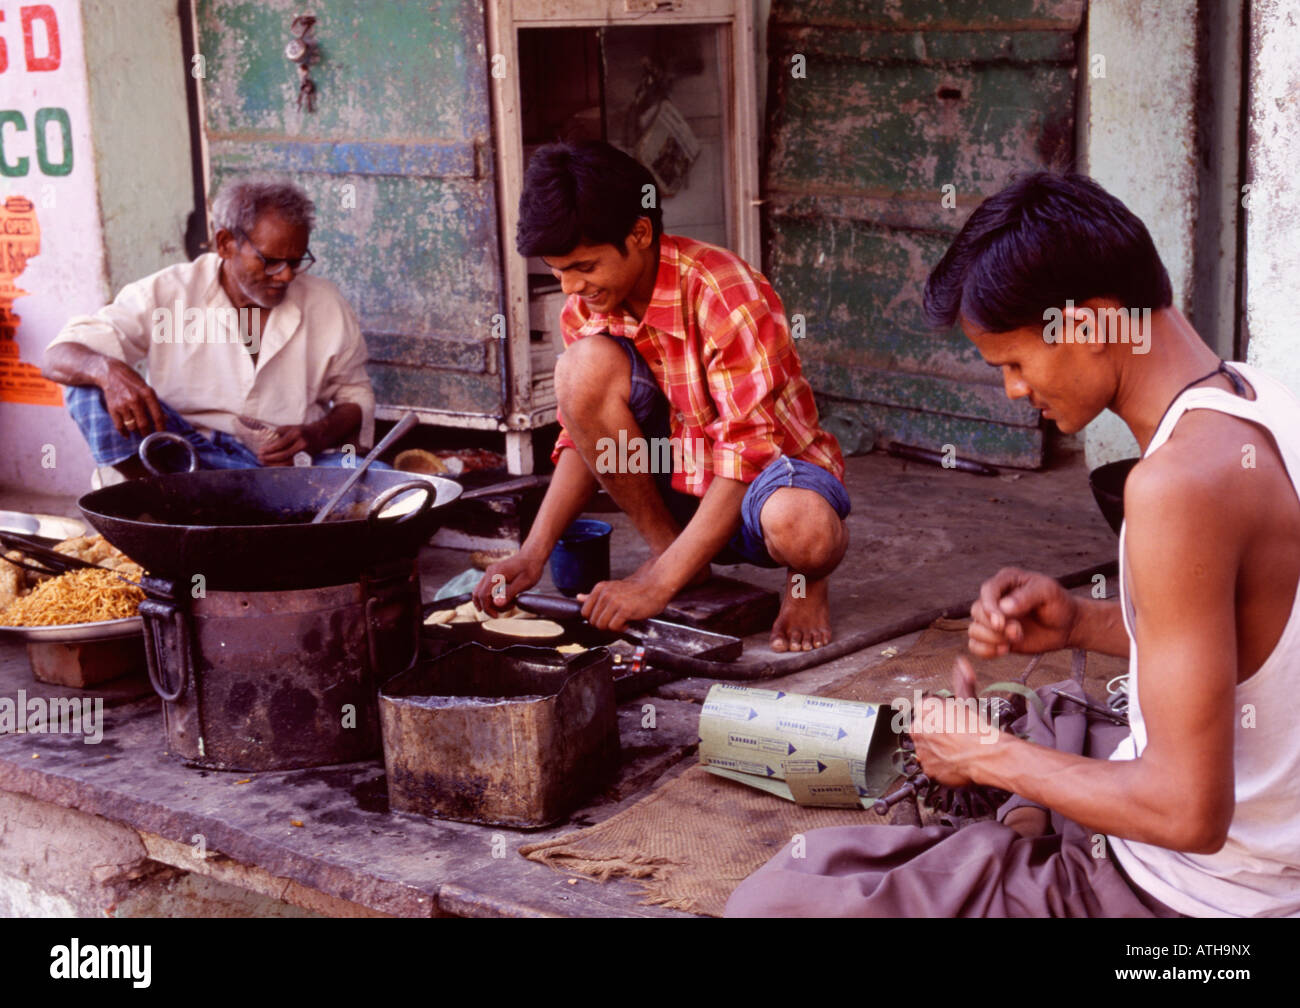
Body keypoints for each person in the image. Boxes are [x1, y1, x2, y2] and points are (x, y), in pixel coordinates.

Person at [726, 172, 1300, 917]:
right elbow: (1254, 638)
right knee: (1042, 719)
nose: (1013, 392)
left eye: (1015, 363)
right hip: (1273, 854)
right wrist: (1079, 622)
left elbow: (1188, 813)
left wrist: (988, 758)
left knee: (779, 901)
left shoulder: (1174, 488)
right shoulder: (1261, 401)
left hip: (1193, 905)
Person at [472, 141, 850, 652]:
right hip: (683, 481)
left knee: (803, 531)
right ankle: (672, 550)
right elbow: (583, 439)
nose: (569, 286)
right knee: (579, 369)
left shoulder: (724, 291)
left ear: (641, 234)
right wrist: (532, 553)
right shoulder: (586, 304)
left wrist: (656, 585)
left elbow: (746, 456)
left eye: (584, 265)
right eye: (557, 269)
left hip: (768, 480)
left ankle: (807, 582)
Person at [44, 179, 375, 479]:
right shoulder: (165, 293)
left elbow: (355, 396)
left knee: (392, 489)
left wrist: (315, 434)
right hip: (184, 460)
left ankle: (238, 506)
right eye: (272, 261)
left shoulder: (324, 302)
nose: (286, 276)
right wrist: (106, 370)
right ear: (225, 243)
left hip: (286, 468)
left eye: (296, 261)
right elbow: (58, 355)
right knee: (87, 385)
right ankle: (161, 499)